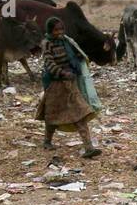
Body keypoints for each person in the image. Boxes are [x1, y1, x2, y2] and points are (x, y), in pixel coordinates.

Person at [36, 17, 102, 159]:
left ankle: (88, 147)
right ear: (50, 31)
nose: (59, 32)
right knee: (52, 114)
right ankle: (47, 141)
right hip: (55, 84)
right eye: (56, 30)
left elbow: (74, 55)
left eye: (61, 29)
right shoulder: (47, 44)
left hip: (70, 84)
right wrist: (62, 73)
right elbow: (49, 64)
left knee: (79, 113)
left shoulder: (66, 41)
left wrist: (77, 60)